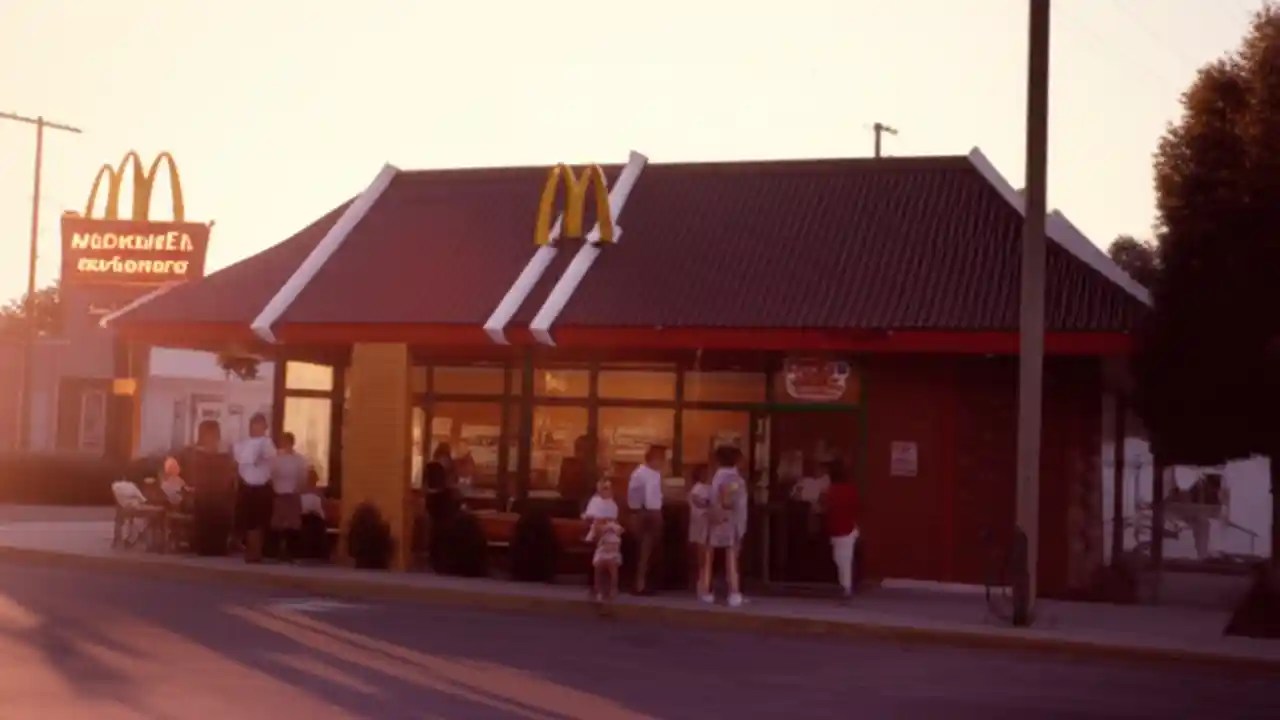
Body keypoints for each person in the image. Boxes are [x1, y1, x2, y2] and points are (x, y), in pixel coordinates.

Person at [182, 420, 237, 556]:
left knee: (218, 522)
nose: (211, 437)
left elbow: (230, 474)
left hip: (220, 497)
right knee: (204, 521)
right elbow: (191, 474)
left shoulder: (225, 455)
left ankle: (218, 548)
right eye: (208, 434)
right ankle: (203, 548)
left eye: (213, 434)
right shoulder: (195, 454)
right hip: (204, 495)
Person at [707, 445, 749, 607]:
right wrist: (728, 506)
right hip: (731, 523)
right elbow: (727, 499)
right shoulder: (732, 478)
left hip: (722, 522)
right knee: (731, 557)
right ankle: (733, 592)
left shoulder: (717, 476)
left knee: (720, 558)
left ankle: (715, 591)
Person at [234, 413, 276, 563]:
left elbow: (269, 459)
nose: (256, 427)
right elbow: (240, 462)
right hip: (247, 486)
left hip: (261, 487)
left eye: (259, 424)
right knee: (247, 521)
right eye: (254, 424)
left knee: (258, 521)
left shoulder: (267, 443)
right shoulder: (244, 444)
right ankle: (249, 550)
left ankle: (256, 552)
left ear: (265, 427)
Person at [627, 444, 666, 595]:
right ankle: (640, 585)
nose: (663, 462)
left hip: (648, 513)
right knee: (644, 551)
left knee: (648, 551)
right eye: (661, 459)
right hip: (646, 514)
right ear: (654, 459)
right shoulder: (643, 474)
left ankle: (645, 583)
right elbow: (649, 499)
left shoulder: (651, 473)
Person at [270, 432, 311, 563]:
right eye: (283, 441)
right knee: (278, 524)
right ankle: (278, 552)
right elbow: (271, 475)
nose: (285, 444)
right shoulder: (276, 458)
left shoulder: (299, 459)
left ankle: (290, 553)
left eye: (287, 442)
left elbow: (303, 475)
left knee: (292, 525)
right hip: (279, 493)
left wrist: (299, 488)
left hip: (292, 493)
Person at [584, 480, 624, 610]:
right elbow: (590, 517)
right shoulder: (595, 501)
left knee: (612, 566)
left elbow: (614, 521)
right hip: (598, 535)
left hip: (610, 537)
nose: (606, 491)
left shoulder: (613, 504)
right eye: (603, 488)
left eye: (608, 488)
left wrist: (608, 524)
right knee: (598, 566)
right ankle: (597, 589)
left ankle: (612, 589)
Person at [824, 459, 860, 601]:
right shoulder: (850, 490)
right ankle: (846, 587)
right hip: (848, 527)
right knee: (844, 559)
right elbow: (856, 506)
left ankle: (846, 588)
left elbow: (828, 507)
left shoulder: (833, 491)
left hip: (839, 529)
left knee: (841, 559)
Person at [686, 464, 714, 601]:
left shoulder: (709, 487)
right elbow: (699, 502)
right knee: (702, 557)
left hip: (708, 525)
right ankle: (701, 586)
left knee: (708, 556)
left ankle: (706, 585)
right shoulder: (697, 488)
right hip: (700, 524)